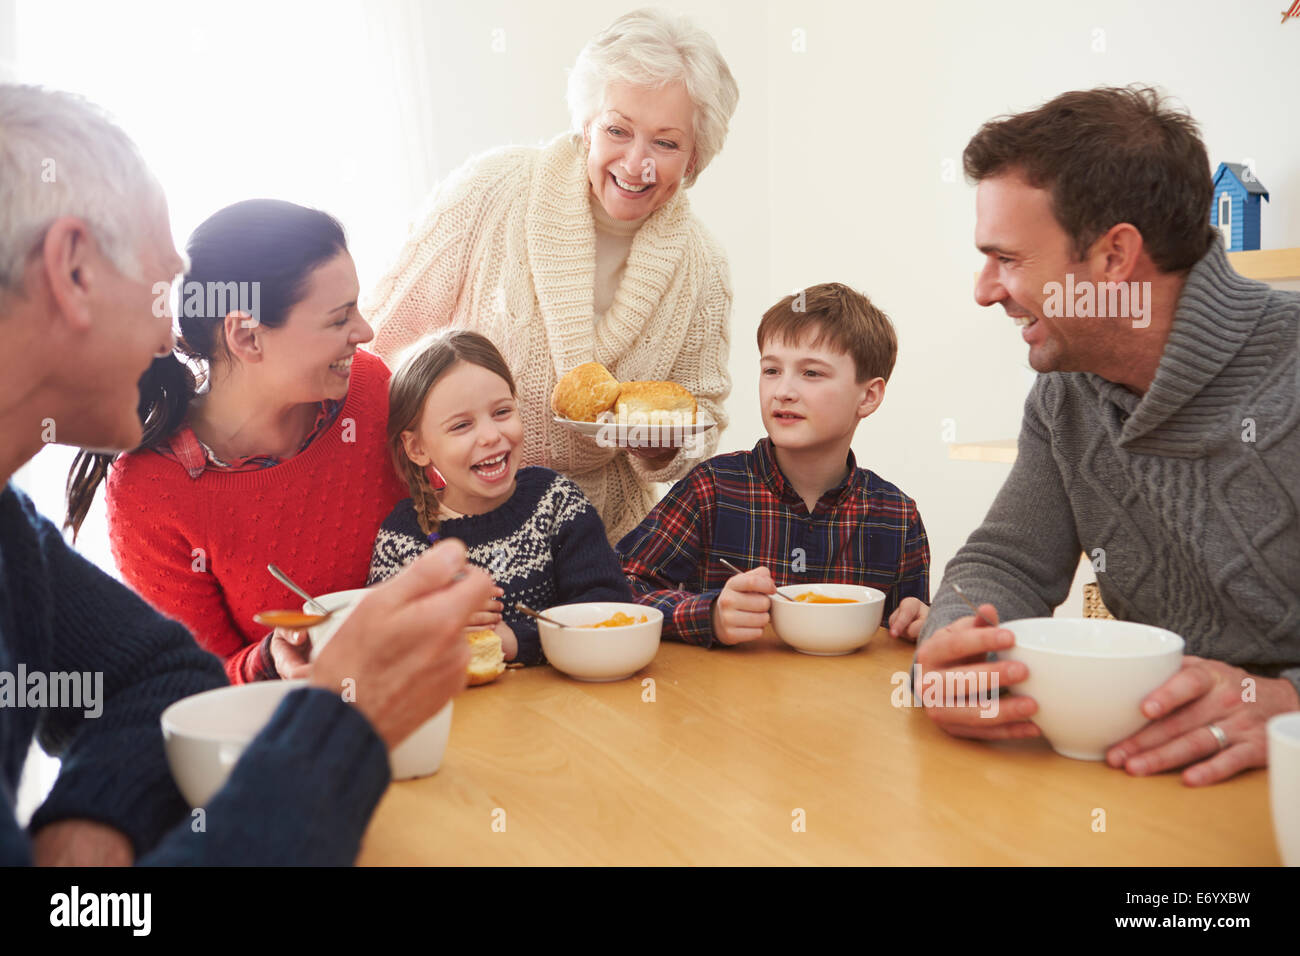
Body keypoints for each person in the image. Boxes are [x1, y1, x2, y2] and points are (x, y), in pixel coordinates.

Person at [0, 82, 491, 865]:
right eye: (165, 287)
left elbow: (158, 680)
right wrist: (341, 719)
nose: (175, 334)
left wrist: (86, 835)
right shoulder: (147, 488)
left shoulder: (10, 534)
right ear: (73, 273)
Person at [915, 86, 1300, 786]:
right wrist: (952, 649)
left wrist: (1286, 703)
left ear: (1115, 256)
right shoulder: (1068, 391)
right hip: (1144, 779)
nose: (984, 289)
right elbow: (1006, 561)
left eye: (1007, 259)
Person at [364, 8, 740, 543]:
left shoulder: (703, 266)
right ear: (587, 125)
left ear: (695, 156)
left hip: (606, 538)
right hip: (465, 526)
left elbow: (701, 425)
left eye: (666, 142)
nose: (637, 164)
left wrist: (660, 446)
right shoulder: (494, 189)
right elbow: (377, 342)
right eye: (617, 130)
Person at [68, 199, 408, 683]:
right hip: (299, 735)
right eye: (339, 318)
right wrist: (269, 660)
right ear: (247, 336)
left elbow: (443, 512)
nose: (365, 331)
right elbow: (195, 677)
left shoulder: (370, 388)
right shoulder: (151, 492)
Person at [618, 283, 931, 647]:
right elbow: (619, 587)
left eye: (811, 373)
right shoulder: (712, 489)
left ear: (869, 395)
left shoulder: (897, 515)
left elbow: (908, 630)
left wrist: (924, 621)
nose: (783, 391)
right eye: (771, 370)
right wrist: (709, 614)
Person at [369, 329, 633, 665]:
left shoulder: (554, 501)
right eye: (461, 426)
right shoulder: (403, 537)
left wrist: (512, 640)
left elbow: (608, 609)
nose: (492, 436)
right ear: (417, 448)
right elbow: (379, 640)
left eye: (502, 412)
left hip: (557, 708)